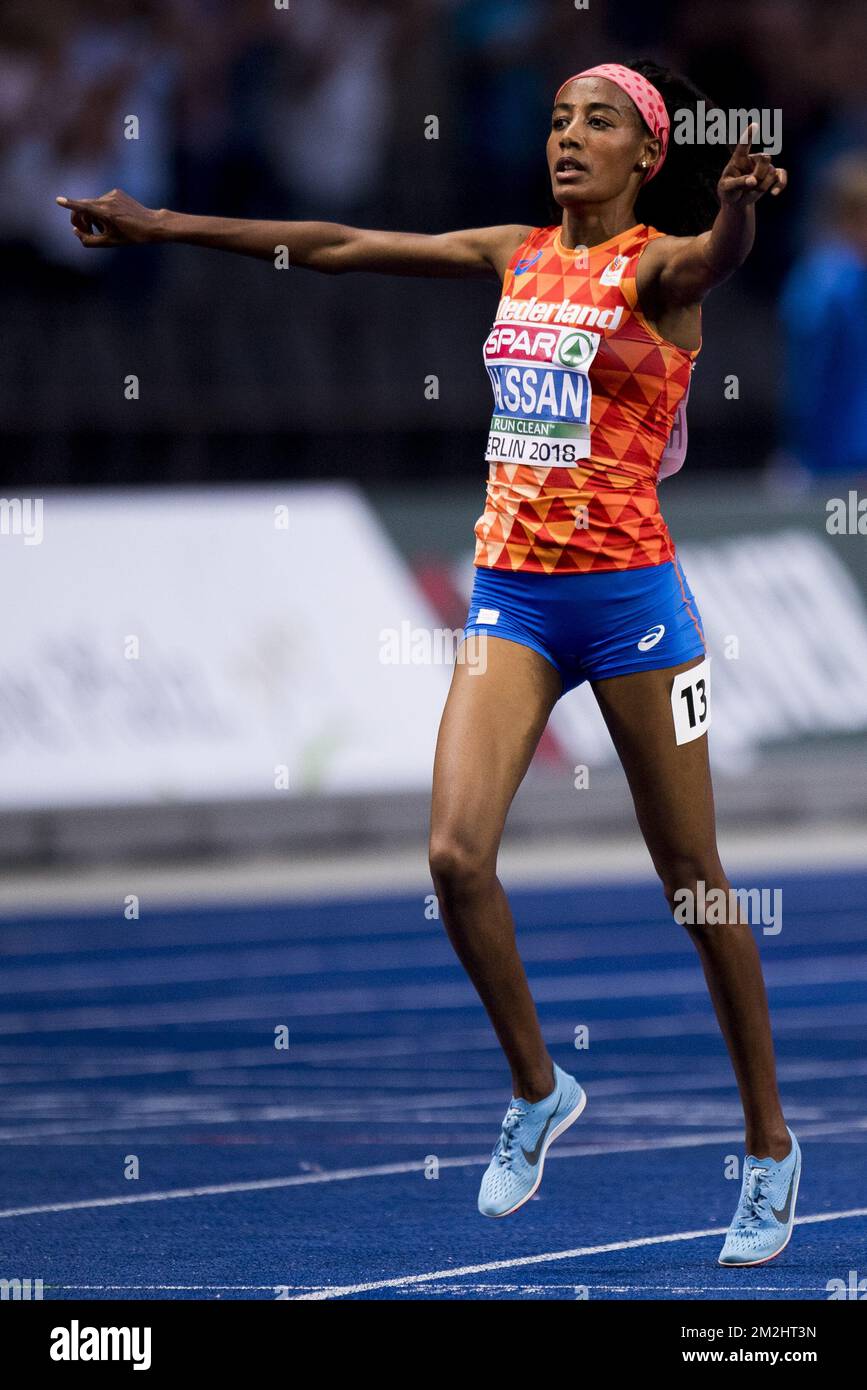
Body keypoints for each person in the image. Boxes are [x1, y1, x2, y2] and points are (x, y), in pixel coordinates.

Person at [57, 57, 799, 1268]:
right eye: (558, 118)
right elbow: (341, 243)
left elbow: (724, 255)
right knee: (455, 857)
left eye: (598, 123)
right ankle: (539, 1088)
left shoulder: (660, 265)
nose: (568, 138)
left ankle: (769, 1148)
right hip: (512, 595)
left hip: (633, 609)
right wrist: (163, 224)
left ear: (644, 158)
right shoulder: (516, 252)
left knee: (697, 882)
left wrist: (744, 203)